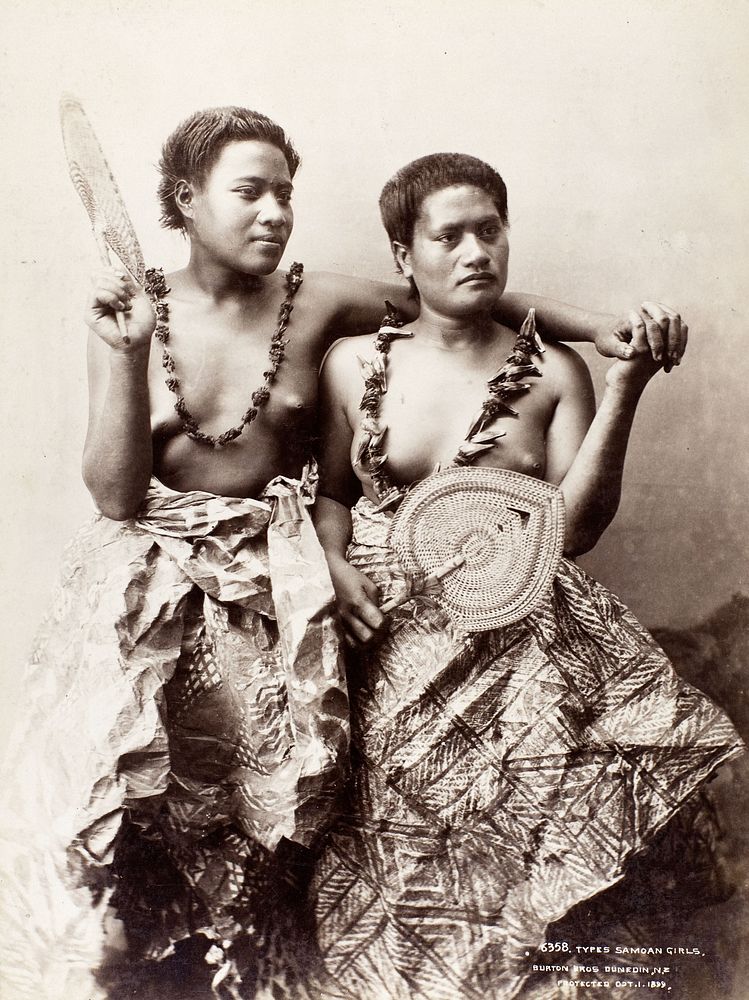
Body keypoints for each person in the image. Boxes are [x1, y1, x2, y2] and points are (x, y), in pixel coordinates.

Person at [0, 107, 685, 1000]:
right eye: (250, 192)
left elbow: (462, 292)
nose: (276, 214)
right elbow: (116, 496)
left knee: (274, 823)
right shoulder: (136, 314)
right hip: (154, 584)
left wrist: (595, 328)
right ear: (186, 200)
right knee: (121, 804)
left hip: (275, 583)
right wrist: (127, 358)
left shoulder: (317, 301)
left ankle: (265, 973)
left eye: (285, 194)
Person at [310, 153, 743, 999]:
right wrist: (331, 563)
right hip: (383, 653)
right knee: (395, 872)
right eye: (448, 236)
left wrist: (624, 390)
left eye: (489, 230)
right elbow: (328, 495)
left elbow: (574, 530)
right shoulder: (349, 363)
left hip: (517, 656)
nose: (475, 251)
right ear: (404, 256)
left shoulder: (551, 373)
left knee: (510, 882)